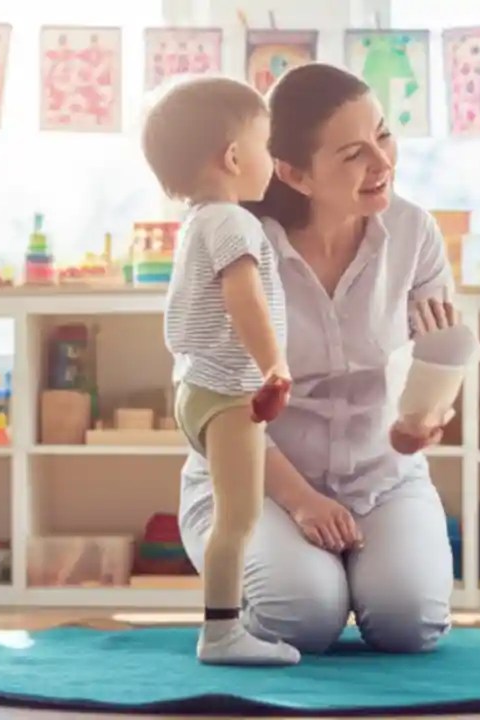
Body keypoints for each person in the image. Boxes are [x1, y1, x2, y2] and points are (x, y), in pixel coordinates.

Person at [178, 63, 460, 655]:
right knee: (301, 618)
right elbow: (213, 396)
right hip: (257, 478)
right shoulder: (237, 244)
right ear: (294, 173)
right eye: (354, 154)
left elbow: (438, 358)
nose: (383, 163)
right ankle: (282, 594)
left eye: (383, 135)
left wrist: (423, 420)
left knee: (410, 624)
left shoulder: (413, 233)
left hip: (380, 478)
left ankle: (367, 576)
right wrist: (302, 500)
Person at [142, 77, 300, 666]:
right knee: (239, 517)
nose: (272, 160)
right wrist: (274, 364)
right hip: (230, 391)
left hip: (198, 388)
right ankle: (222, 632)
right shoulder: (235, 223)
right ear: (233, 157)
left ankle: (225, 626)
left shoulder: (199, 221)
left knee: (235, 514)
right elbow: (244, 297)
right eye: (266, 145)